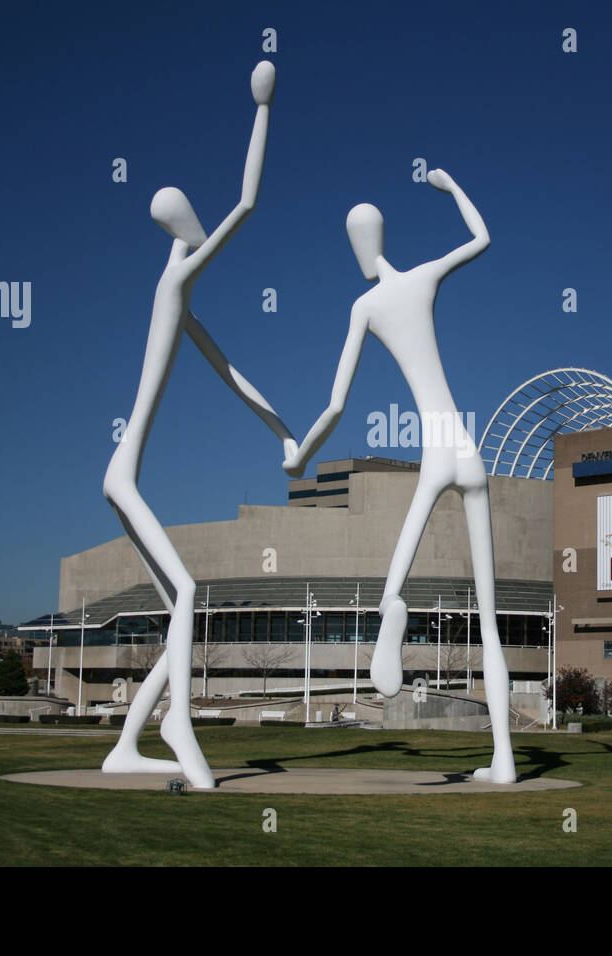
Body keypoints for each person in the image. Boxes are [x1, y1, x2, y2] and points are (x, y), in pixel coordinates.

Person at [282, 168, 516, 783]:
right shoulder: (422, 279)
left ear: (362, 244)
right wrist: (452, 184)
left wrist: (300, 456)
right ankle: (506, 762)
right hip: (472, 453)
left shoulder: (365, 306)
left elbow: (336, 405)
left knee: (391, 586)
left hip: (436, 456)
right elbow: (483, 238)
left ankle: (393, 610)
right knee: (490, 620)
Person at [101, 62, 293, 789]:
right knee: (186, 595)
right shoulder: (175, 280)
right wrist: (263, 109)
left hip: (120, 477)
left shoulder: (177, 298)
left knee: (177, 608)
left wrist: (279, 429)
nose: (197, 229)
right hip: (123, 477)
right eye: (189, 220)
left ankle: (126, 742)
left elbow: (228, 369)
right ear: (181, 225)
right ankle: (176, 719)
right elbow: (246, 203)